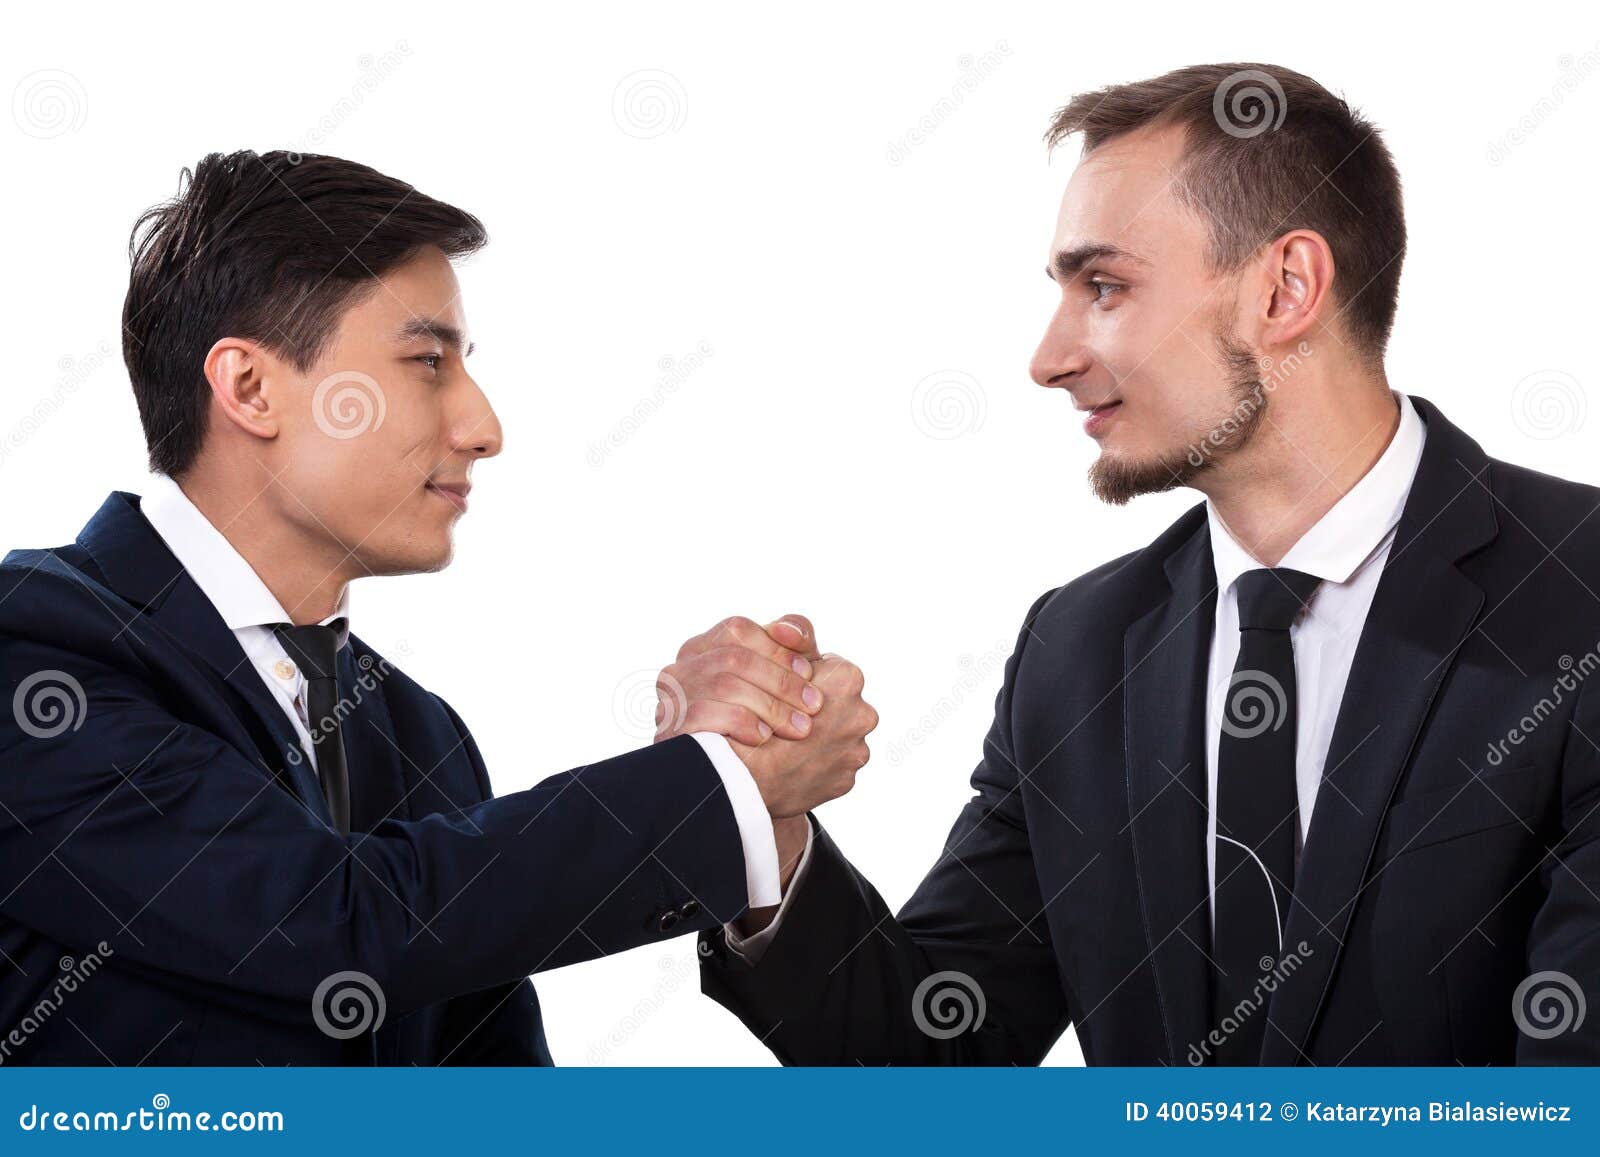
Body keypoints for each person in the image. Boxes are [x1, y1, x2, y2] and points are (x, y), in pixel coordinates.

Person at [693, 62, 1600, 1065]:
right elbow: (932, 1048)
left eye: (1106, 287)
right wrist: (765, 823)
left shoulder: (1580, 590)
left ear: (1285, 287)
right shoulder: (1079, 647)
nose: (1047, 357)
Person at [0, 150, 876, 1064]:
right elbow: (330, 923)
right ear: (251, 388)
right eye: (427, 361)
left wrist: (734, 786)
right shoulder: (33, 653)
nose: (483, 426)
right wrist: (717, 778)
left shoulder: (422, 736)